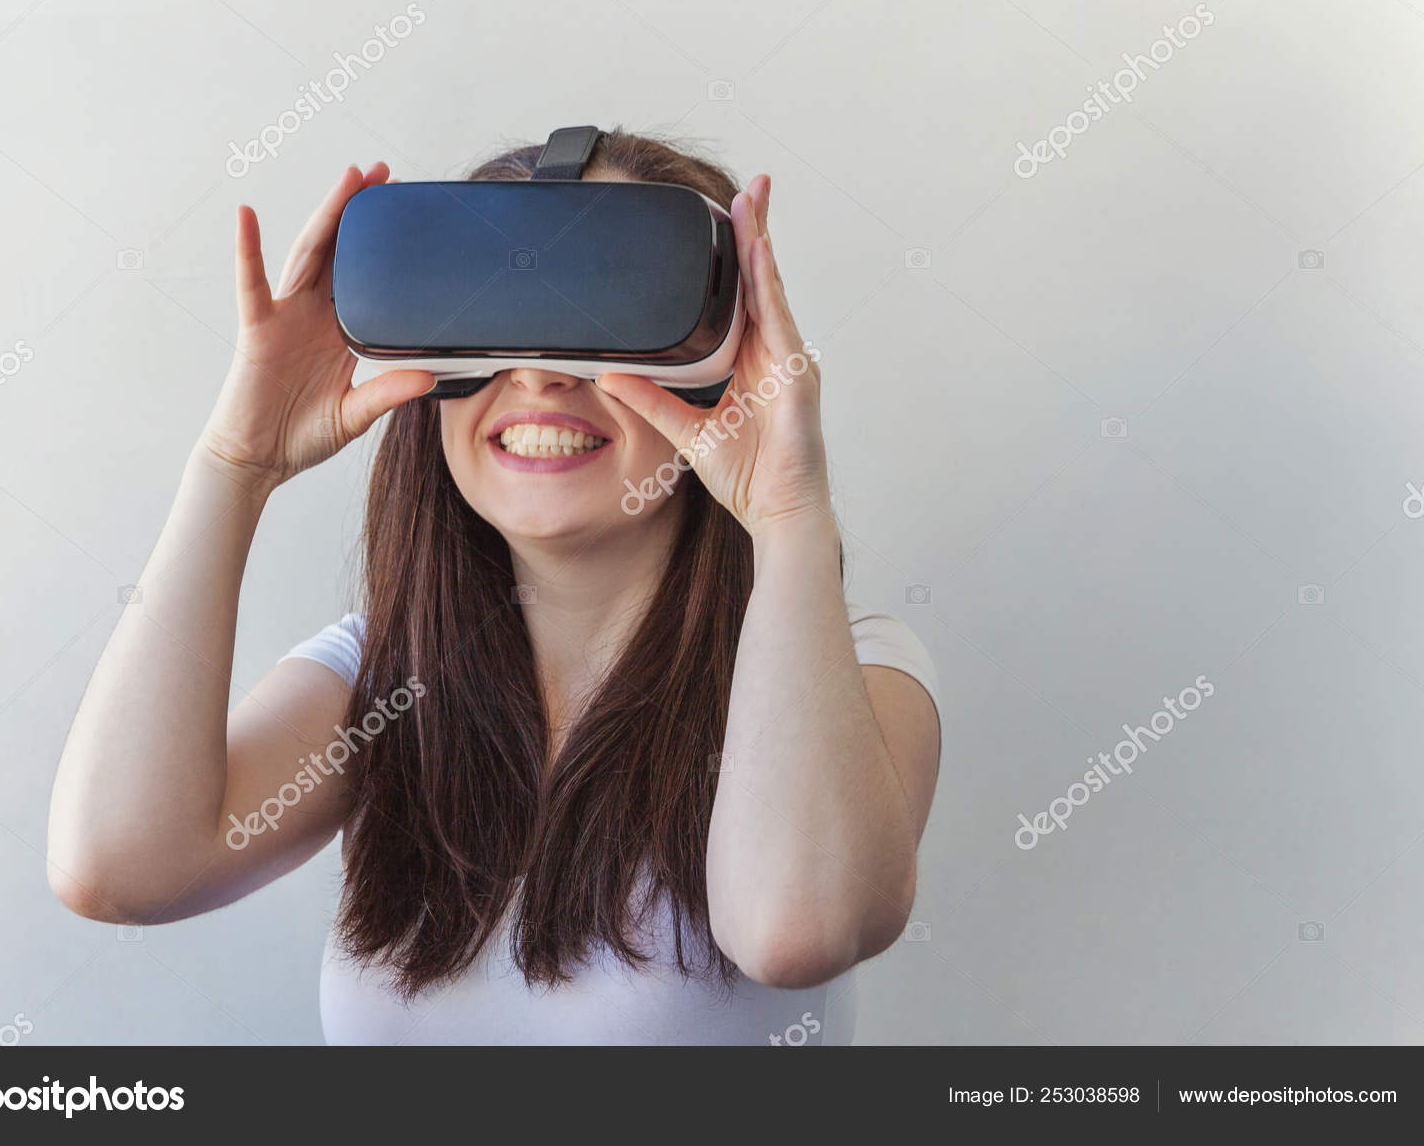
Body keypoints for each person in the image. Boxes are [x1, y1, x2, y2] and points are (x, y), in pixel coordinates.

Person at [47, 129, 942, 1044]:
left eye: (606, 310)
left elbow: (798, 930)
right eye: (493, 318)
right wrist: (232, 464)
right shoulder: (382, 676)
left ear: (722, 367)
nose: (541, 375)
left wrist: (787, 511)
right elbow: (116, 867)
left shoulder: (858, 661)